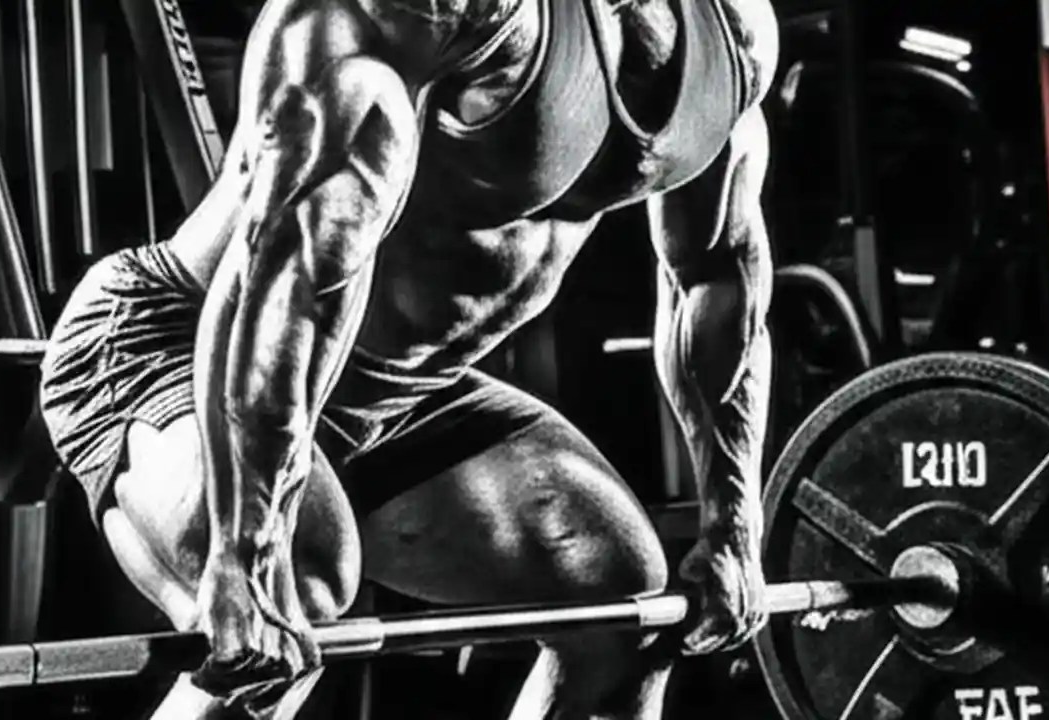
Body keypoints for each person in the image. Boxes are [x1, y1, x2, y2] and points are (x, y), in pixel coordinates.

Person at [40, 0, 779, 715]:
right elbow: (295, 271)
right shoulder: (440, 11)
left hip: (403, 397)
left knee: (621, 601)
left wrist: (732, 529)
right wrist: (245, 547)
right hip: (179, 340)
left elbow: (717, 275)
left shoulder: (733, 33)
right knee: (296, 594)